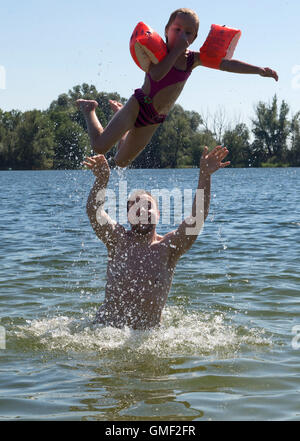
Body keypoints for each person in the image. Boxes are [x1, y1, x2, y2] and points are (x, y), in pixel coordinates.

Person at [76, 8, 278, 167]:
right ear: (166, 30)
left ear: (195, 37)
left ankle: (121, 123)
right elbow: (157, 74)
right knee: (100, 146)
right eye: (177, 29)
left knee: (121, 162)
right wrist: (177, 51)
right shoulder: (160, 53)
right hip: (139, 104)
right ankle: (89, 109)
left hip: (154, 119)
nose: (182, 35)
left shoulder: (193, 59)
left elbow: (225, 64)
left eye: (188, 32)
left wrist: (259, 70)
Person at [84, 145, 230, 330]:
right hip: (105, 332)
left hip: (148, 336)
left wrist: (205, 176)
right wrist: (102, 180)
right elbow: (94, 212)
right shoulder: (117, 240)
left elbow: (197, 218)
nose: (142, 210)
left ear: (158, 214)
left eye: (147, 206)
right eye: (135, 207)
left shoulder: (168, 248)